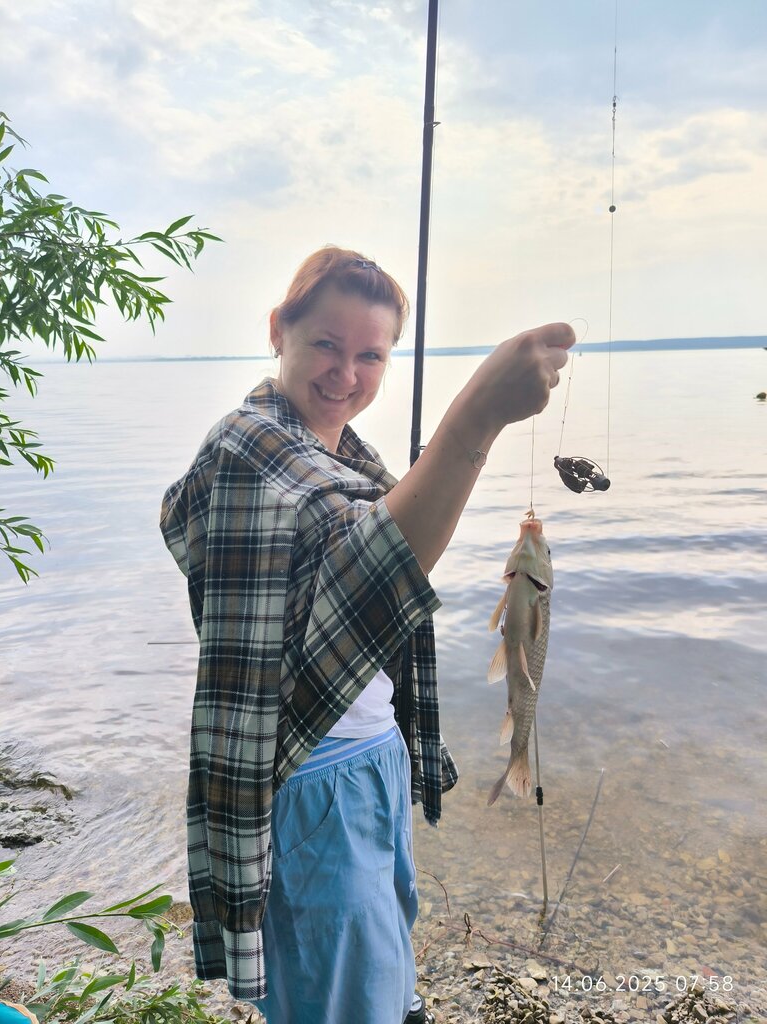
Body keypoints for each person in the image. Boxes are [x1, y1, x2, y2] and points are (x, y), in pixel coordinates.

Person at [160, 246, 573, 1024]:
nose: (345, 375)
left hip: (372, 760)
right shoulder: (248, 450)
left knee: (381, 971)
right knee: (343, 1000)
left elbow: (368, 548)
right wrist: (477, 412)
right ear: (279, 330)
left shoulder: (340, 456)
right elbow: (373, 571)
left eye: (371, 356)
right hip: (312, 784)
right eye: (325, 344)